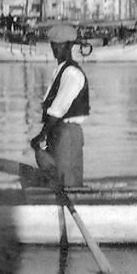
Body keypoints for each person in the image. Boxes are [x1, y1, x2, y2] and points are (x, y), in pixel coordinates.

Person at [29, 23, 89, 192]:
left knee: (67, 182)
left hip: (67, 135)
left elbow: (57, 110)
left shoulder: (72, 74)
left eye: (60, 45)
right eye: (53, 45)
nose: (56, 49)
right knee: (56, 180)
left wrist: (41, 135)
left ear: (70, 46)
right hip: (57, 133)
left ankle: (73, 203)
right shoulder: (60, 71)